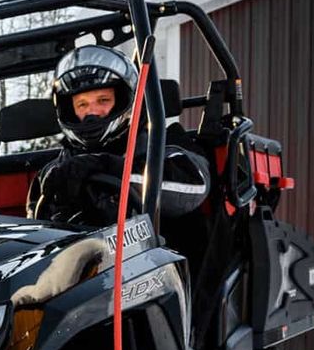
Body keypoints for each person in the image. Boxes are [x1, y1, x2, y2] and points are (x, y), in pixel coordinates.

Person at [27, 45, 211, 228]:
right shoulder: (55, 170)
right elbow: (37, 227)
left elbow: (193, 189)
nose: (92, 112)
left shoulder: (165, 145)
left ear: (124, 100)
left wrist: (106, 166)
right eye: (82, 104)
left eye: (103, 100)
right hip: (85, 245)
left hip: (161, 244)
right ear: (69, 110)